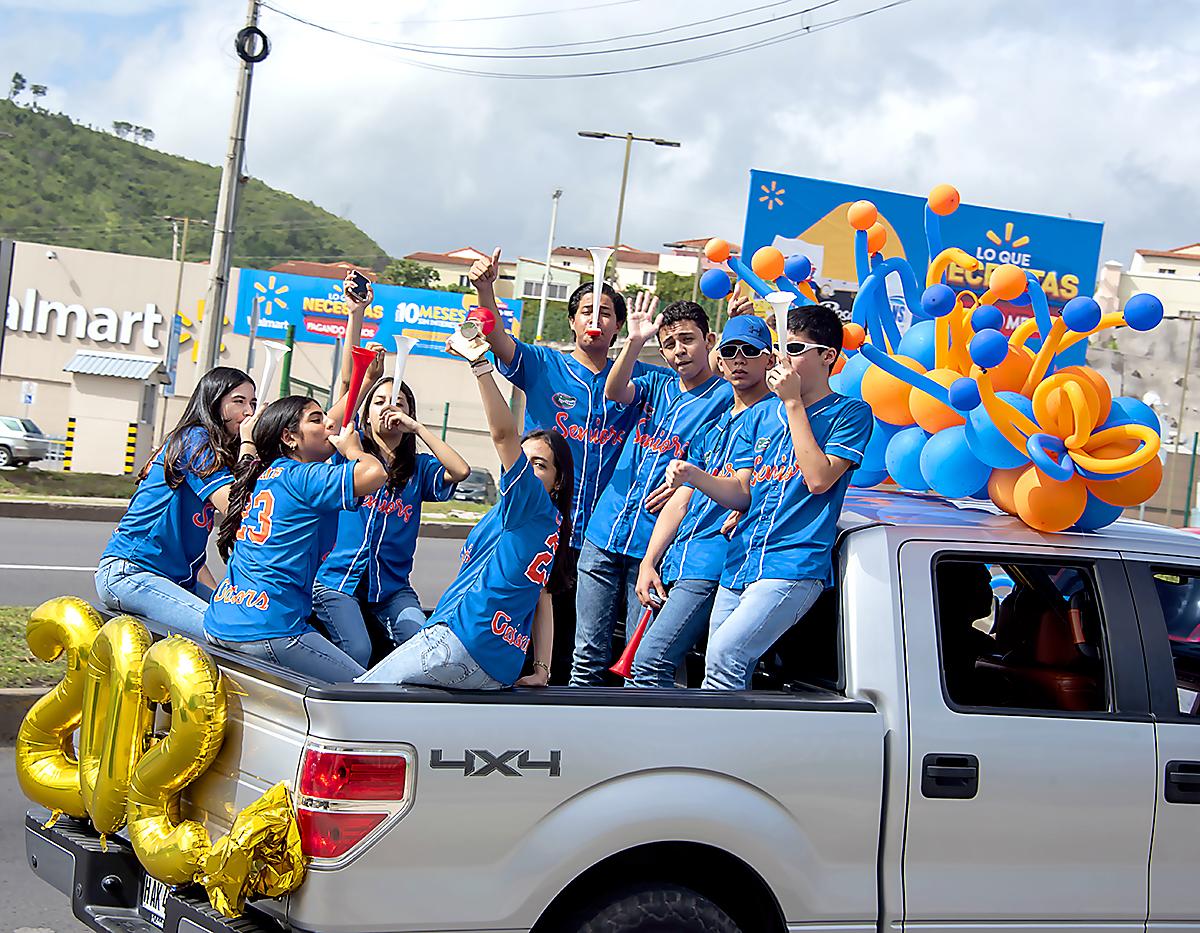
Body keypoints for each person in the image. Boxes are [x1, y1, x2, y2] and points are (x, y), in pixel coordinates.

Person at [467, 248, 666, 684]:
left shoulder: (640, 381)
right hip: (543, 526)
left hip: (604, 537)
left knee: (589, 645)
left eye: (607, 312)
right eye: (587, 310)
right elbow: (497, 338)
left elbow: (698, 388)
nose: (597, 318)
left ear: (619, 325)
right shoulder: (543, 364)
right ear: (572, 321)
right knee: (527, 630)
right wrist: (487, 288)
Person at [665, 304, 873, 690]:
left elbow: (818, 480)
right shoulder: (760, 415)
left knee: (727, 656)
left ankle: (720, 750)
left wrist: (793, 403)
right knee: (718, 666)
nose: (782, 358)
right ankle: (720, 746)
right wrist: (695, 477)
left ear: (827, 356)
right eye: (780, 348)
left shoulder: (850, 413)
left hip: (793, 563)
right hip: (741, 561)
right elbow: (742, 492)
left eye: (794, 349)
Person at [358, 334, 574, 690]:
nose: (527, 470)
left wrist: (479, 364)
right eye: (526, 461)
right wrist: (542, 669)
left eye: (540, 464)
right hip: (498, 669)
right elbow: (542, 596)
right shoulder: (548, 523)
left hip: (459, 642)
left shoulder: (530, 503)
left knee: (353, 698)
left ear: (557, 481)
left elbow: (503, 435)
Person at [570, 298, 733, 686]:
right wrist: (635, 340)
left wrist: (688, 488)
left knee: (638, 663)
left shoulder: (726, 399)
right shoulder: (655, 384)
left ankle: (631, 740)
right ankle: (580, 738)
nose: (679, 351)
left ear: (709, 340)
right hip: (604, 532)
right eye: (670, 343)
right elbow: (613, 391)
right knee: (586, 657)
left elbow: (718, 464)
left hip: (653, 546)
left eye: (688, 340)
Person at [630, 313, 775, 688]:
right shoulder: (714, 425)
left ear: (770, 360)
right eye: (731, 350)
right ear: (720, 359)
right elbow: (680, 500)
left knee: (648, 664)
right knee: (659, 669)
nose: (739, 358)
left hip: (713, 562)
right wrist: (649, 562)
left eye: (750, 351)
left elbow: (755, 492)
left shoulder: (776, 418)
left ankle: (651, 747)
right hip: (679, 559)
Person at [203, 396, 388, 681]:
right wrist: (354, 450)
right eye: (316, 420)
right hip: (269, 628)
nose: (329, 424)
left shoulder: (266, 473)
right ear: (289, 437)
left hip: (223, 619)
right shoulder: (303, 477)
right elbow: (375, 473)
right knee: (365, 691)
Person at [313, 374, 470, 666]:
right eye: (380, 401)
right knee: (358, 650)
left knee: (423, 645)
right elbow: (333, 422)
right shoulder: (346, 457)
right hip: (336, 580)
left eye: (399, 403)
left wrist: (419, 429)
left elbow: (460, 470)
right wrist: (364, 381)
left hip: (391, 587)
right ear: (366, 415)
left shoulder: (420, 468)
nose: (389, 409)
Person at [96, 367, 257, 640]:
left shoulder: (213, 449)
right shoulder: (194, 439)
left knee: (243, 620)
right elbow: (234, 507)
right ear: (213, 402)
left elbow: (190, 557)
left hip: (175, 578)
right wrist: (249, 445)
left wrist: (219, 598)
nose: (249, 412)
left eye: (252, 403)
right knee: (228, 631)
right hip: (133, 572)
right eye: (238, 401)